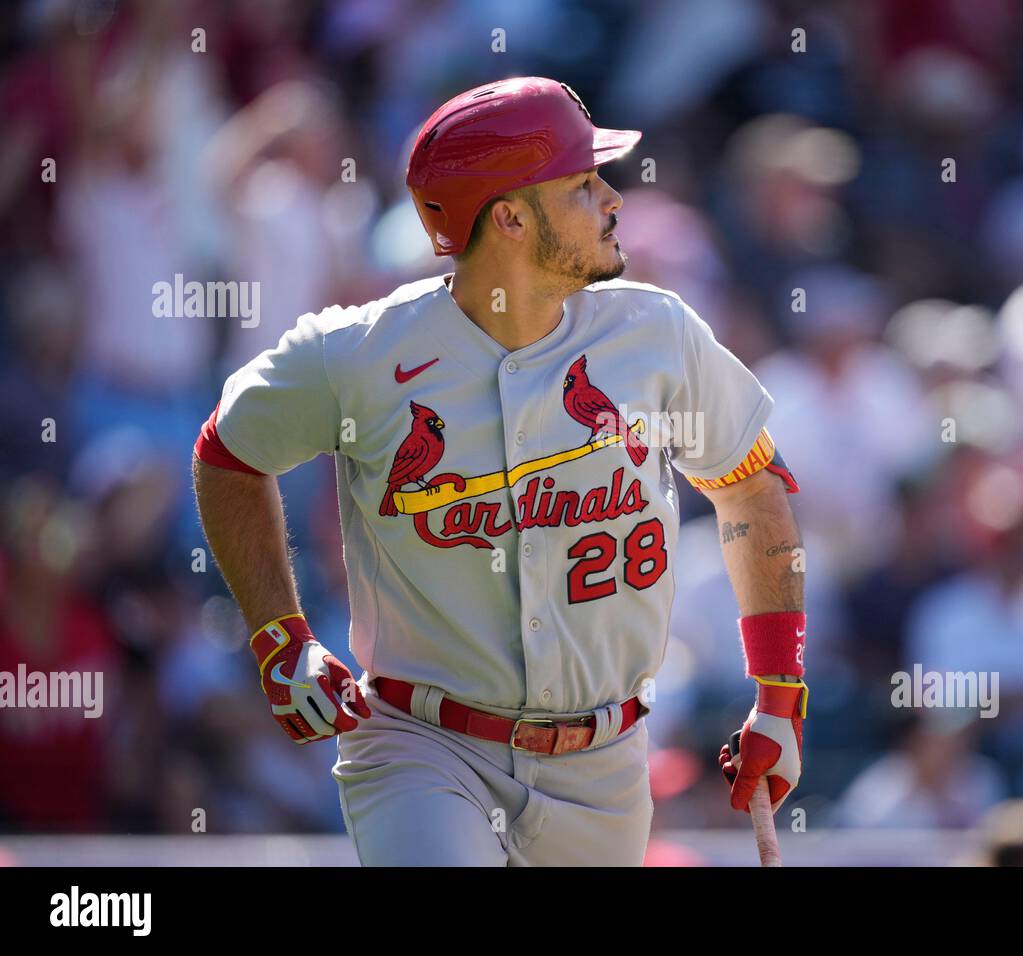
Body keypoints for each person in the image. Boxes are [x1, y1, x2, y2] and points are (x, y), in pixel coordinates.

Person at [192, 77, 806, 865]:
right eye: (585, 185)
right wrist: (281, 634)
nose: (615, 200)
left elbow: (754, 485)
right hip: (424, 746)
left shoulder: (659, 334)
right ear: (512, 217)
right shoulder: (359, 355)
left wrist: (780, 698)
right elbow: (229, 454)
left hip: (608, 763)